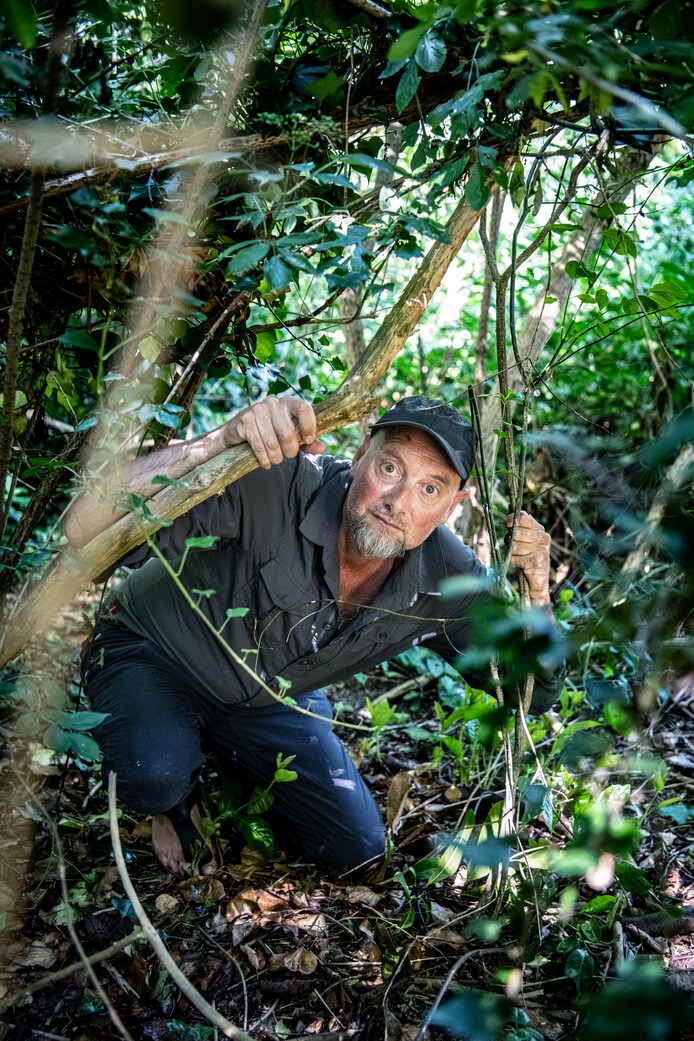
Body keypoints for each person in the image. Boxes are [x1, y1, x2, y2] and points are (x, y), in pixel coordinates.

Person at [65, 395, 560, 877]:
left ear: (454, 505)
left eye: (430, 490)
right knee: (152, 773)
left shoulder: (449, 578)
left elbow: (527, 694)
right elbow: (85, 523)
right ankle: (173, 803)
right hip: (153, 652)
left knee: (358, 850)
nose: (398, 503)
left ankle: (220, 751)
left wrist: (536, 593)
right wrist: (219, 443)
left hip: (262, 700)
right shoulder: (277, 482)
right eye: (390, 468)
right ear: (362, 452)